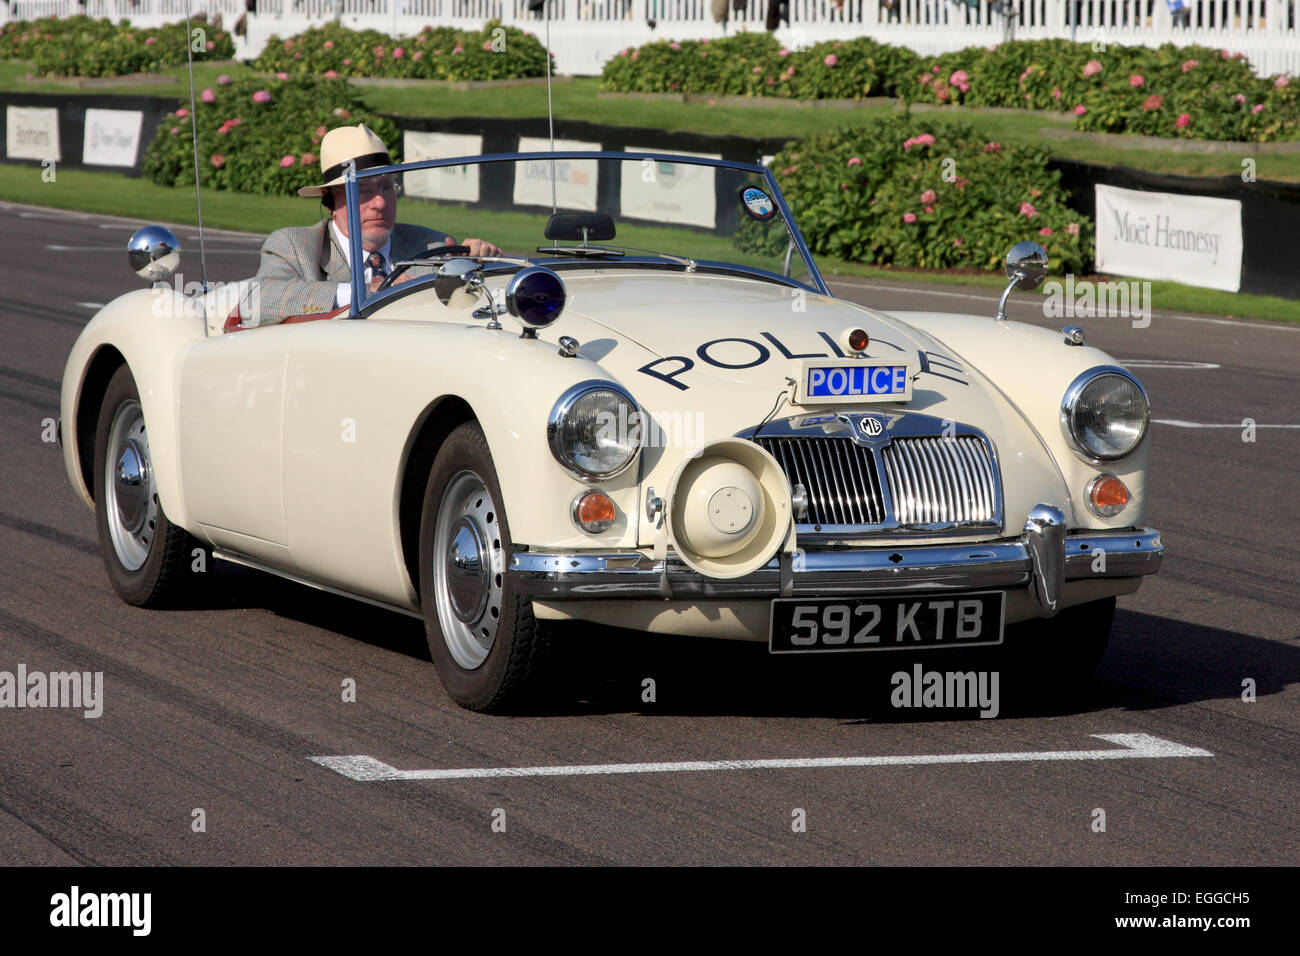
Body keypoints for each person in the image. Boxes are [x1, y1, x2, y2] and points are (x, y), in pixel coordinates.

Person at [245, 124, 500, 327]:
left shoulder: (432, 245)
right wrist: (364, 292)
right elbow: (258, 301)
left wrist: (478, 268)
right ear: (331, 201)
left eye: (386, 187)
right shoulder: (296, 246)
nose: (380, 202)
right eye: (362, 190)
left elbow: (462, 313)